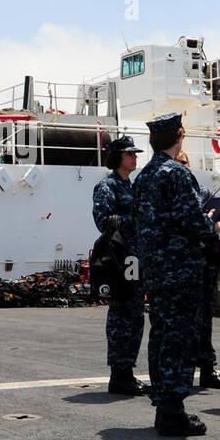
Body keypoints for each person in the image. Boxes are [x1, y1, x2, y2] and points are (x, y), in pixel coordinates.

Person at [132, 114, 215, 436]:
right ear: (179, 137)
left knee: (162, 334)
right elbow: (192, 219)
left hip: (156, 269)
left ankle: (165, 404)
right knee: (180, 337)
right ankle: (172, 411)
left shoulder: (144, 176)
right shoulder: (177, 174)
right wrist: (211, 228)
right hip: (181, 269)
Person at [92, 136, 149, 396]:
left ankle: (127, 371)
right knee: (122, 316)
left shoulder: (132, 186)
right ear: (117, 157)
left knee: (135, 316)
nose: (135, 157)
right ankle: (119, 373)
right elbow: (104, 221)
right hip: (121, 258)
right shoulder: (108, 186)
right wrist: (135, 218)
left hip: (136, 258)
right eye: (130, 154)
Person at [177, 150, 220, 390]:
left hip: (205, 264)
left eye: (185, 163)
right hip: (180, 267)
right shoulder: (171, 196)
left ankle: (207, 369)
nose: (182, 167)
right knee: (180, 323)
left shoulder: (204, 194)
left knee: (205, 320)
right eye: (178, 163)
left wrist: (216, 223)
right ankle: (180, 374)